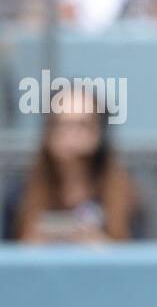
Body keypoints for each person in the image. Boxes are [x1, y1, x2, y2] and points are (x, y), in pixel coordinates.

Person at [3, 101, 145, 242]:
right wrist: (31, 246)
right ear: (49, 131)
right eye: (62, 125)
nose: (71, 135)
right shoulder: (20, 194)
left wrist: (99, 245)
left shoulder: (126, 195)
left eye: (81, 125)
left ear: (99, 130)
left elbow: (143, 257)